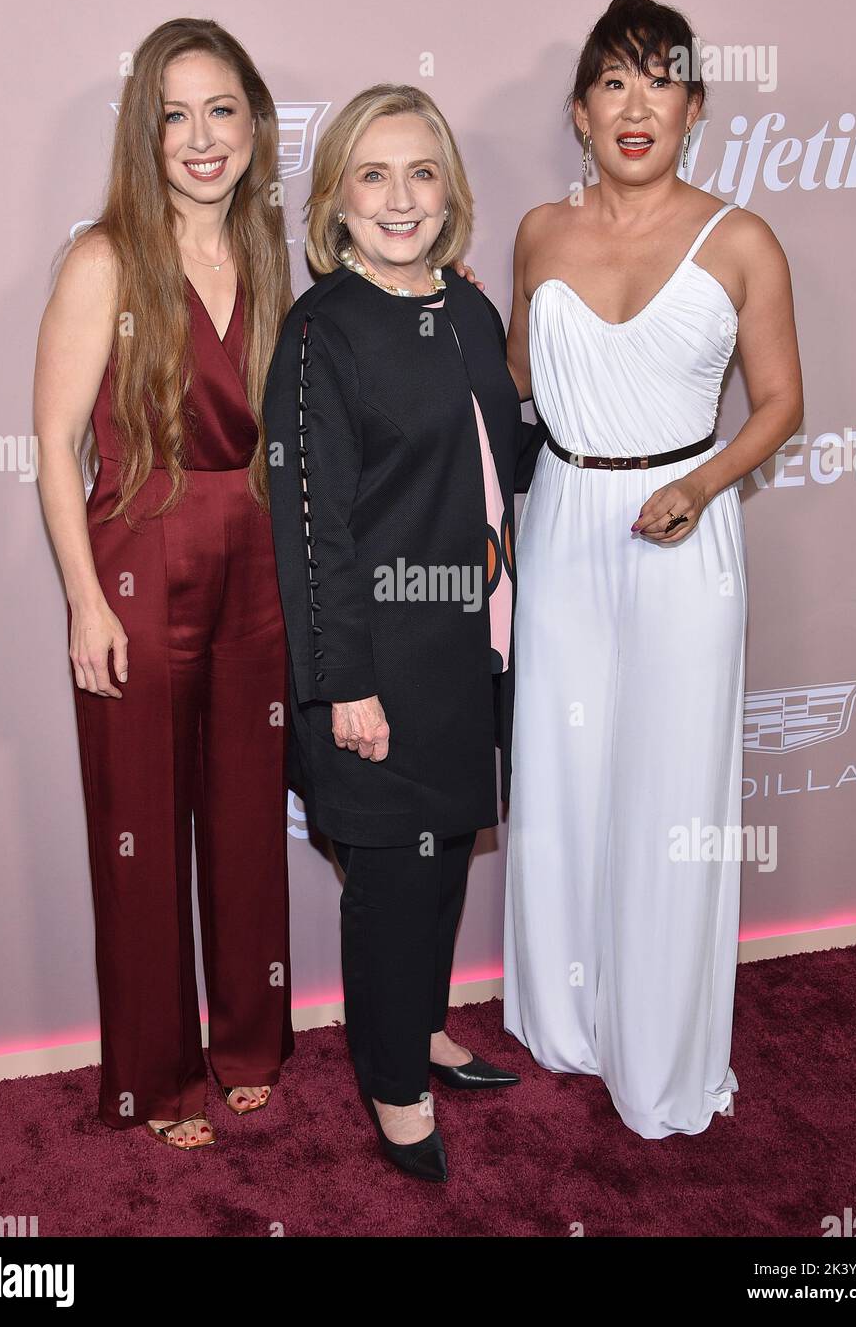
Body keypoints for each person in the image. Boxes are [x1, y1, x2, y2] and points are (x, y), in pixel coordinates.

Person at [502, 0, 804, 1138]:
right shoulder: (538, 230)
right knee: (566, 778)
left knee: (672, 788)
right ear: (580, 114)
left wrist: (698, 485)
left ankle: (663, 1052)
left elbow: (781, 403)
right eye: (612, 84)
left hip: (683, 525)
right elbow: (521, 378)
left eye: (660, 81)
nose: (637, 105)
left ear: (693, 106)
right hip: (564, 523)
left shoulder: (739, 238)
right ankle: (569, 1020)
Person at [264, 85, 543, 1182]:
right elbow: (311, 522)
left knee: (441, 863)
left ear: (450, 192)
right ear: (334, 199)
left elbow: (503, 460)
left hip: (475, 643)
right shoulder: (320, 332)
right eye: (372, 175)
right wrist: (343, 685)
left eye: (420, 172)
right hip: (379, 657)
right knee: (389, 876)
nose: (399, 196)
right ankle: (392, 1083)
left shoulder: (467, 309)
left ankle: (420, 1027)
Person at [34, 19, 295, 1149]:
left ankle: (246, 1040)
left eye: (221, 109)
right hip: (139, 555)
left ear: (254, 124)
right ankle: (155, 1078)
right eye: (175, 113)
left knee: (245, 816)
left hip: (259, 560)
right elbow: (53, 444)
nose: (201, 137)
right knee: (138, 827)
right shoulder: (105, 258)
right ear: (147, 130)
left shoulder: (277, 252)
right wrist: (86, 600)